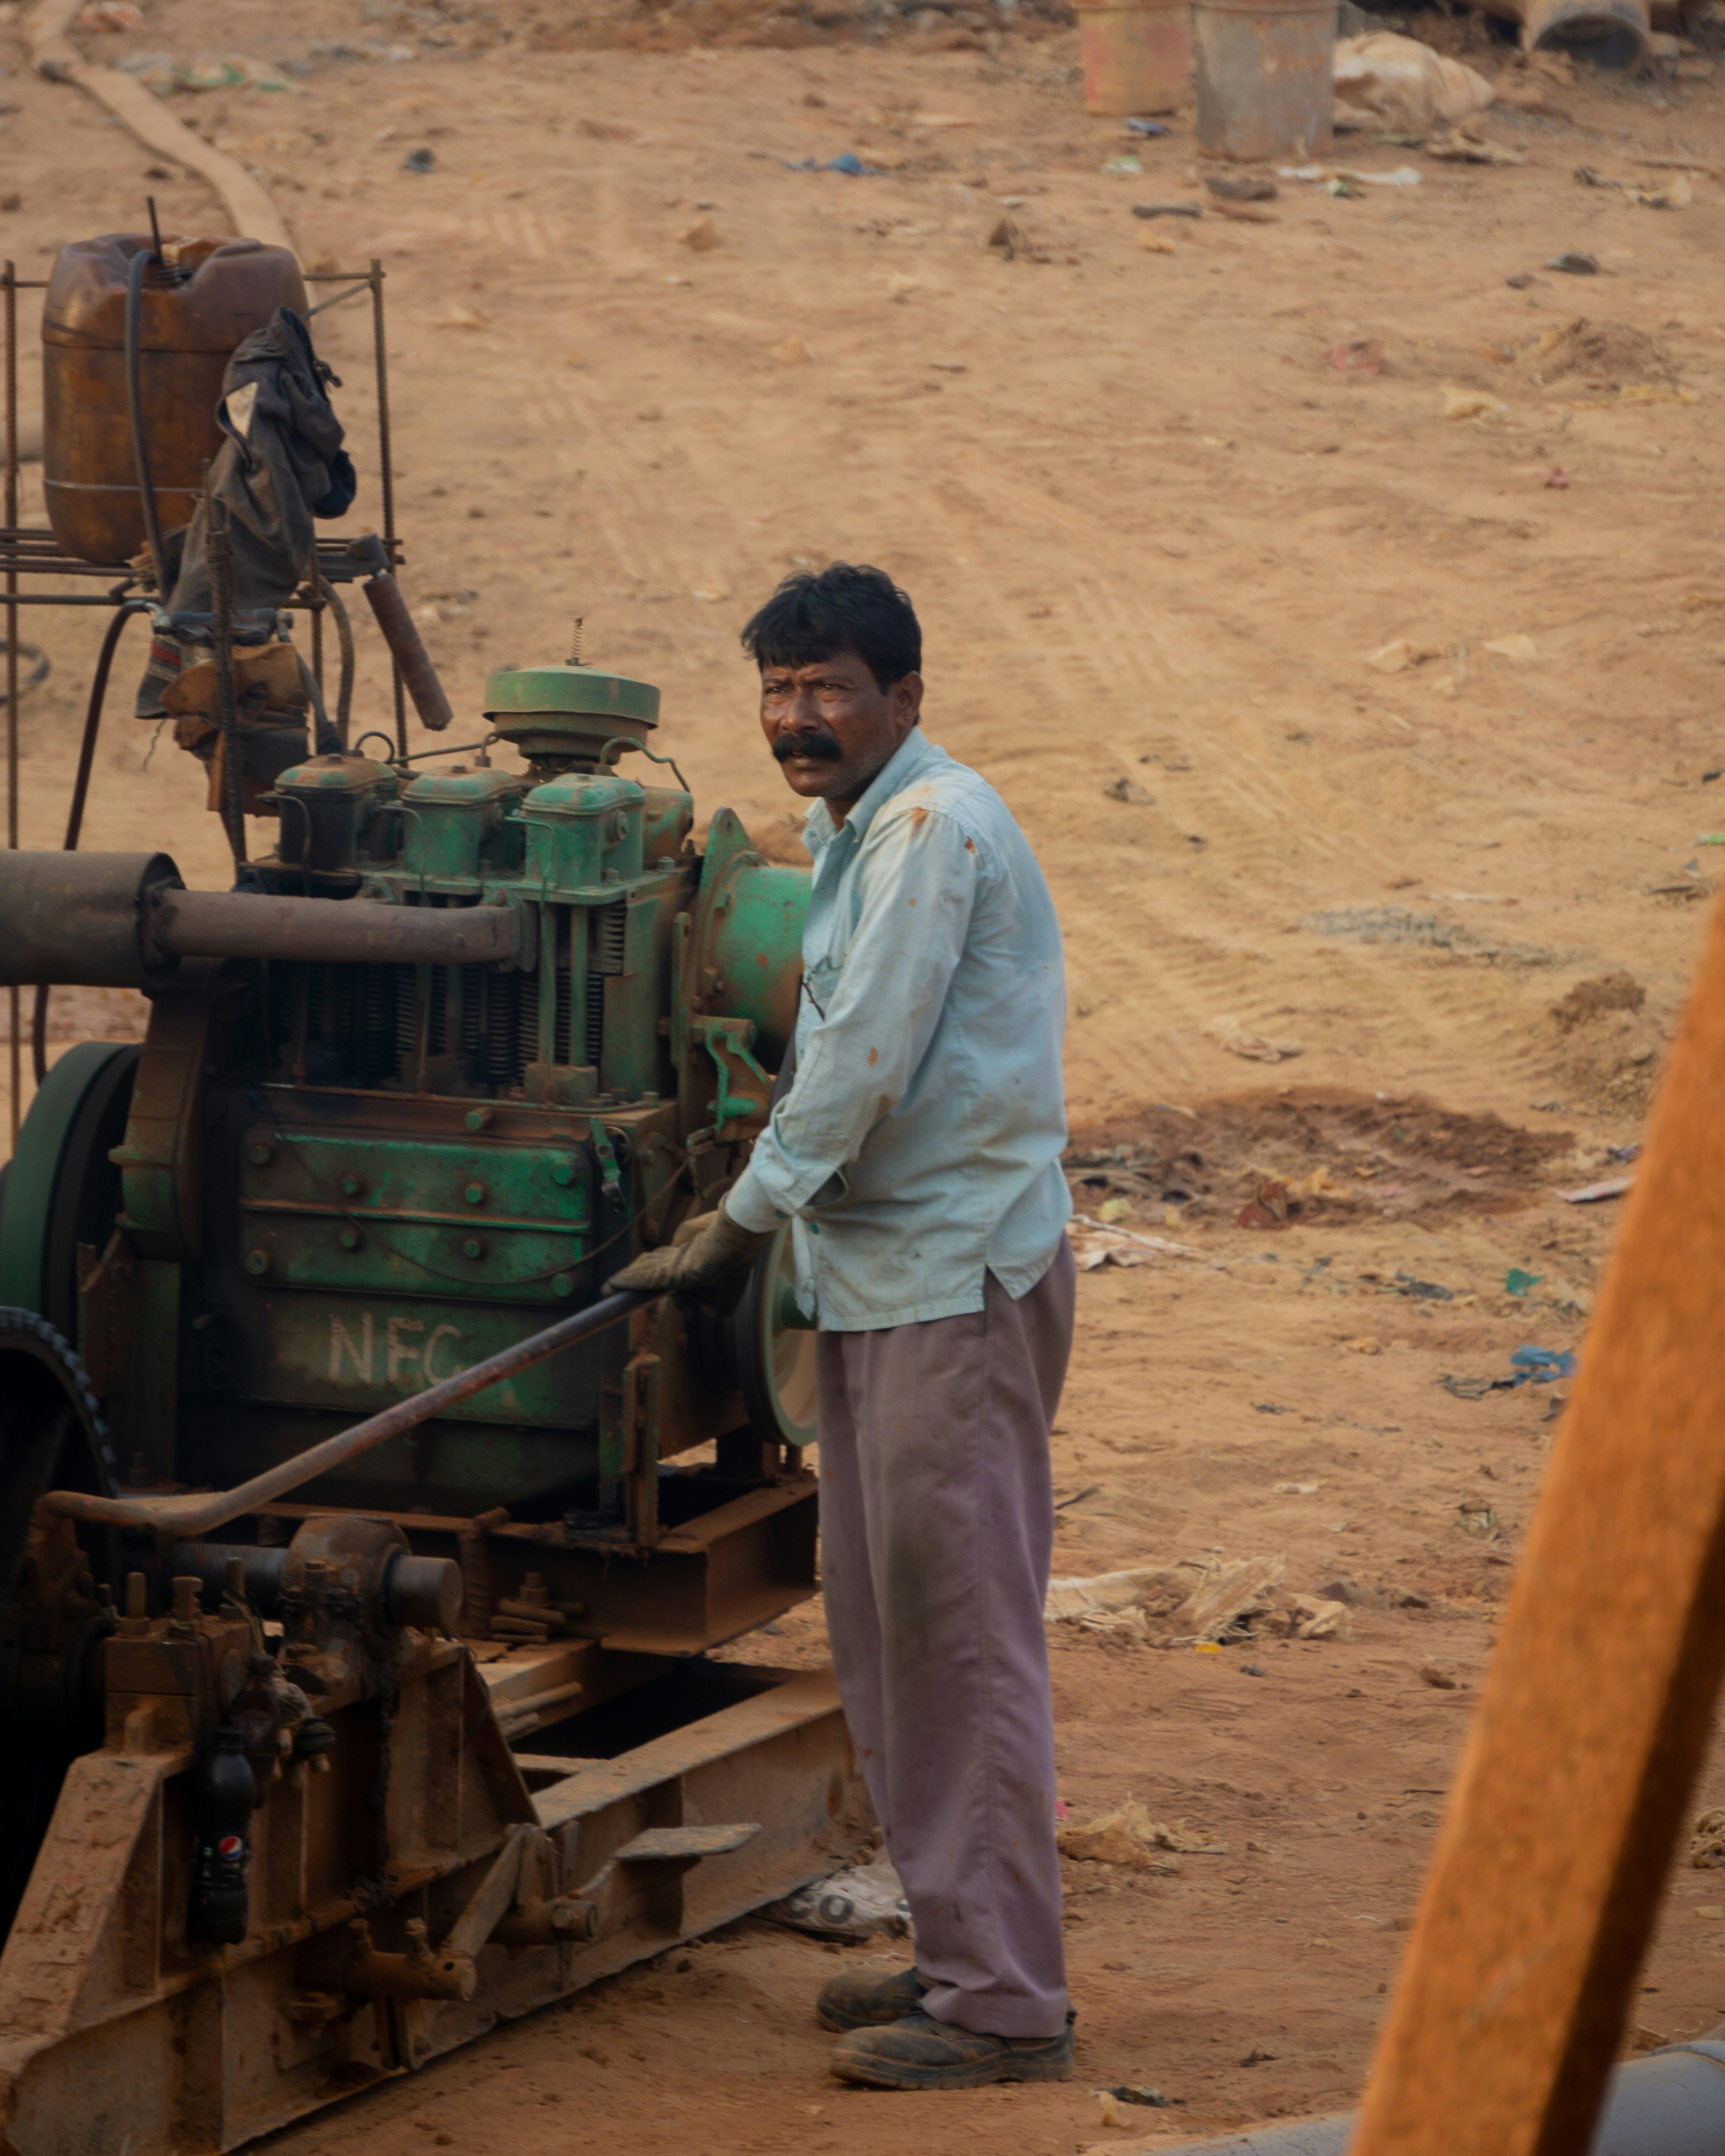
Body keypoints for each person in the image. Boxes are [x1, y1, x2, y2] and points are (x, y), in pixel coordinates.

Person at [609, 563, 1075, 2091]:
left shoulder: (935, 828)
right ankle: (958, 1955)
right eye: (778, 694)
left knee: (960, 1643)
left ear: (905, 699)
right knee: (883, 1632)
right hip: (877, 1281)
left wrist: (733, 1224)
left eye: (829, 693)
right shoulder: (844, 832)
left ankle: (1005, 2008)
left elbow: (863, 1055)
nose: (797, 722)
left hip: (952, 1283)